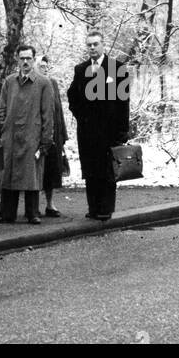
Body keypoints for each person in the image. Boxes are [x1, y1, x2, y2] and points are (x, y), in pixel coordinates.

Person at [66, 28, 131, 221]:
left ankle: (105, 209)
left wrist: (123, 130)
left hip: (110, 131)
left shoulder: (116, 68)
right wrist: (81, 117)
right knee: (91, 169)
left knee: (108, 170)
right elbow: (72, 97)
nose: (92, 48)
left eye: (96, 44)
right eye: (89, 45)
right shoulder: (80, 69)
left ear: (103, 45)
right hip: (87, 131)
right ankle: (93, 208)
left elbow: (123, 102)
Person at [0, 43, 55, 225]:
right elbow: (1, 109)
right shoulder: (9, 81)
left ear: (34, 59)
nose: (25, 62)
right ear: (17, 59)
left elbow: (48, 114)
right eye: (22, 58)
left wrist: (46, 139)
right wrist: (3, 128)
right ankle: (7, 214)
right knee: (8, 173)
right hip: (11, 135)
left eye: (28, 58)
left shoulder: (43, 83)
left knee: (32, 174)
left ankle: (32, 213)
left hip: (32, 135)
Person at [38, 56, 69, 217]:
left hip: (54, 134)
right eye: (41, 66)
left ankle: (50, 204)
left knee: (51, 170)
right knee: (37, 171)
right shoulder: (33, 84)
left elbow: (59, 110)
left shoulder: (53, 83)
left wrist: (62, 135)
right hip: (37, 134)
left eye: (46, 66)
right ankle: (33, 206)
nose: (45, 69)